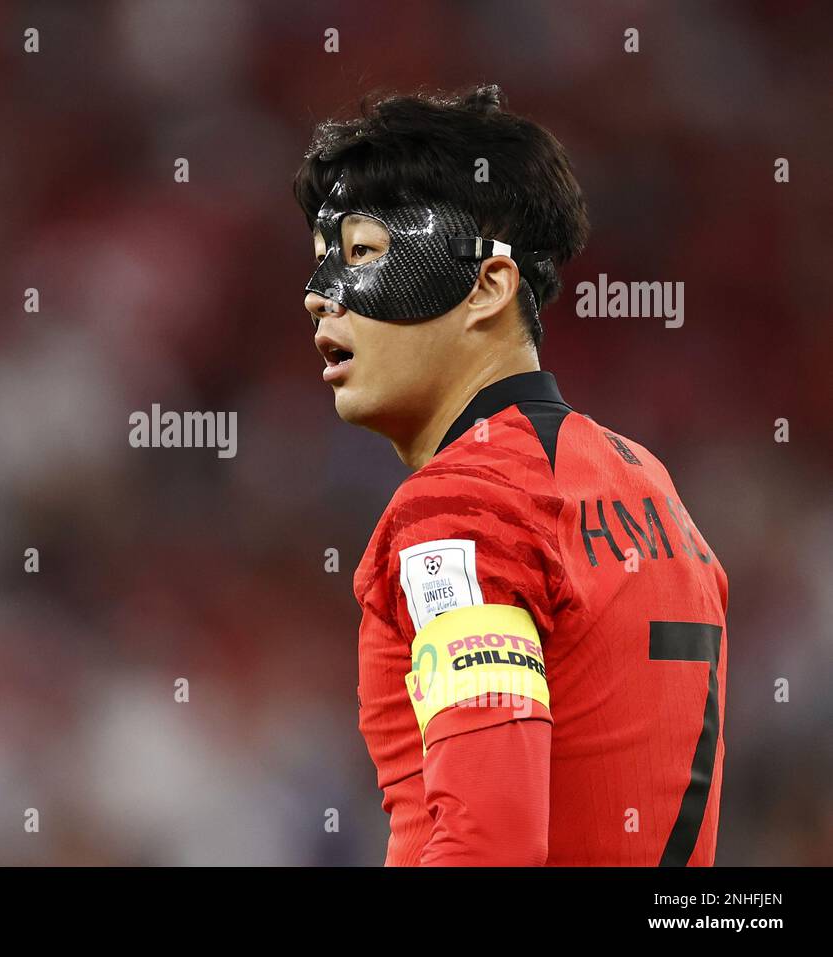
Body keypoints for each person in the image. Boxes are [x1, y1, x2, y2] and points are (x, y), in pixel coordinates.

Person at [293, 85, 728, 865]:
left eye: (361, 252)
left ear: (486, 286)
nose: (319, 294)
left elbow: (489, 842)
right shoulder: (645, 483)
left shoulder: (466, 504)